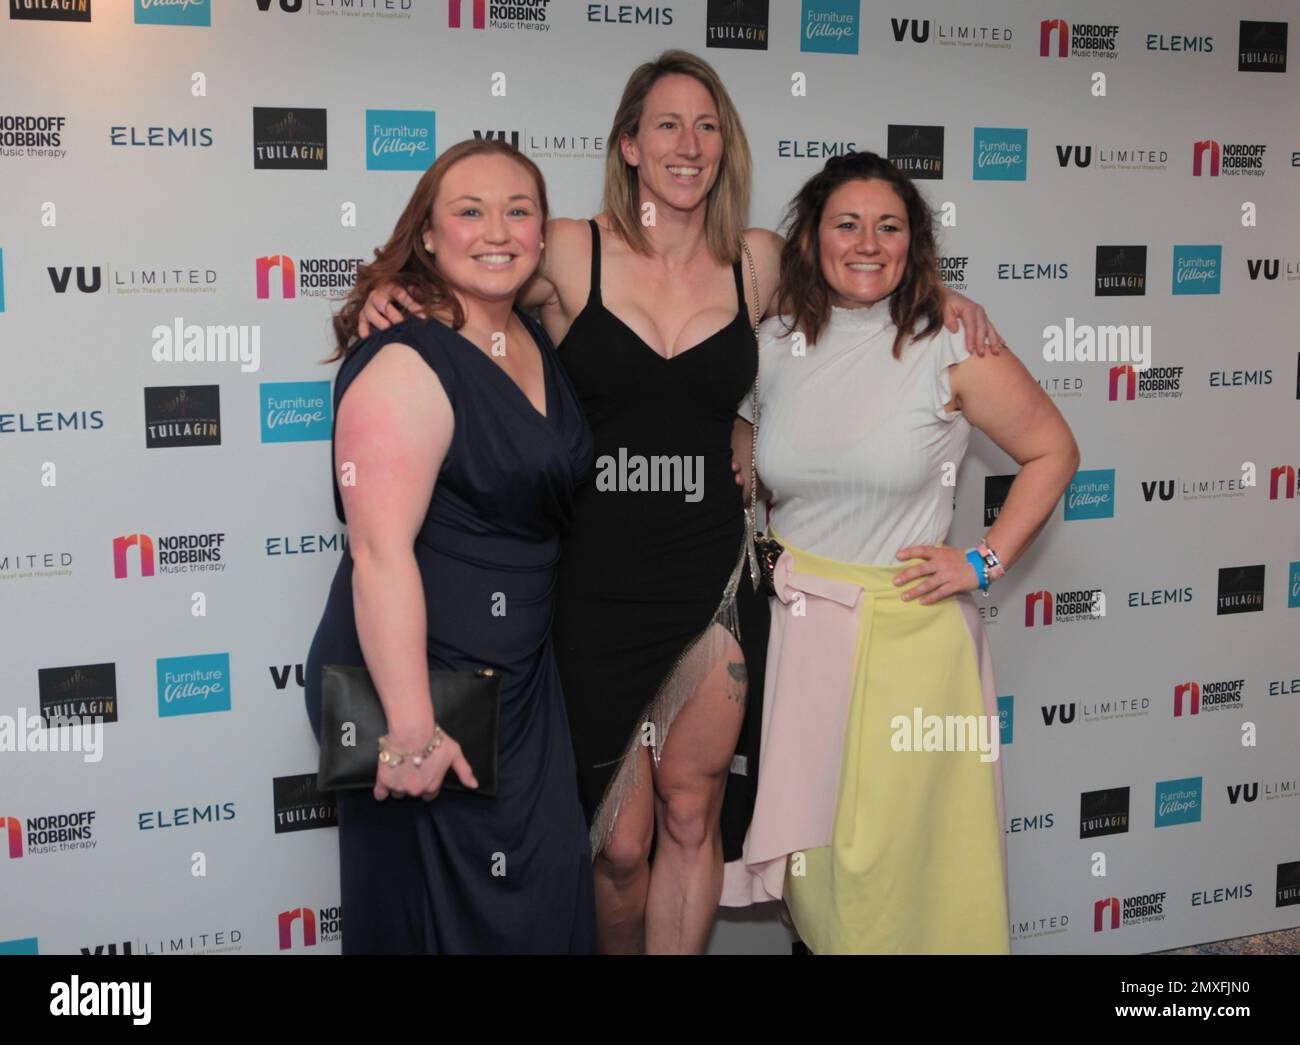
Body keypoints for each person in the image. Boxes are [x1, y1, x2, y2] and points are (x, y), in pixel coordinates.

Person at [358, 51, 1003, 955]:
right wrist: (398, 289)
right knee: (617, 846)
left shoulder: (760, 263)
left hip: (712, 574)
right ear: (628, 143)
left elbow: (856, 294)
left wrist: (944, 298)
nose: (688, 144)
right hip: (590, 581)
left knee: (693, 815)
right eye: (666, 124)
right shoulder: (569, 249)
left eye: (707, 126)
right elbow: (476, 281)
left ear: (726, 146)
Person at [721, 151, 1079, 954]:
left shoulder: (948, 340)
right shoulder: (775, 340)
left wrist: (981, 562)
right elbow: (755, 436)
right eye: (847, 223)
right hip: (802, 635)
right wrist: (746, 467)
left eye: (890, 226)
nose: (868, 242)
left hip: (911, 642)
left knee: (909, 872)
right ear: (812, 237)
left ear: (913, 242)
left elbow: (1054, 450)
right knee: (819, 877)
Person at [303, 138, 597, 954]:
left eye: (518, 210)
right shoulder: (406, 356)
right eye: (469, 211)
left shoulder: (534, 330)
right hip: (417, 687)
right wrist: (408, 727)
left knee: (538, 903)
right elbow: (379, 551)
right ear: (428, 235)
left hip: (521, 683)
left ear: (543, 233)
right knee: (433, 921)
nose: (496, 229)